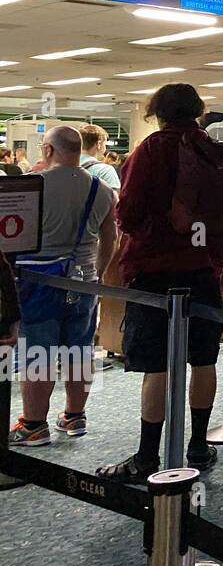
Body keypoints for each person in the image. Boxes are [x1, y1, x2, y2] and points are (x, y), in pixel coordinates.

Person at [97, 84, 223, 482]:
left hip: (155, 270)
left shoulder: (150, 149)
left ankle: (147, 456)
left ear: (157, 111)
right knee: (204, 359)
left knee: (155, 365)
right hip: (205, 270)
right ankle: (198, 445)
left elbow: (128, 213)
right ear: (197, 110)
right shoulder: (219, 153)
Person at [7, 126, 116, 448]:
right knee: (79, 352)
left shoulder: (33, 185)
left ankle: (33, 425)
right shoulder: (101, 189)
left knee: (38, 354)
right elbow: (111, 238)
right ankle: (74, 416)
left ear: (48, 150)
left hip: (38, 280)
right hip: (84, 281)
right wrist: (98, 272)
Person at [76, 124, 120, 191]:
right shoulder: (105, 171)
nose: (105, 147)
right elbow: (114, 196)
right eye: (105, 144)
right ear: (98, 144)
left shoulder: (64, 167)